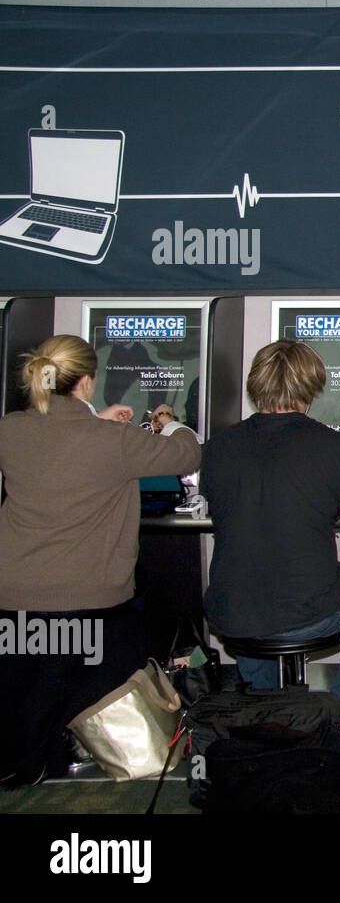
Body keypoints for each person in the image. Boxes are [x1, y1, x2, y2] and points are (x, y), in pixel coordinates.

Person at [0, 334, 201, 787]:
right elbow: (188, 454)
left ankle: (35, 764)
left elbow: (60, 448)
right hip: (90, 603)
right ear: (87, 383)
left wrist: (101, 423)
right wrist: (169, 422)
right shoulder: (114, 440)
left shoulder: (10, 429)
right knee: (92, 673)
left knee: (30, 694)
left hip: (12, 596)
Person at [201, 340, 340, 739]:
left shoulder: (218, 448)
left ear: (255, 386)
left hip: (228, 607)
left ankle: (267, 719)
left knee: (253, 607)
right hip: (307, 606)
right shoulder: (333, 445)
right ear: (312, 388)